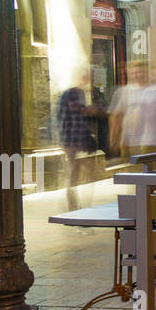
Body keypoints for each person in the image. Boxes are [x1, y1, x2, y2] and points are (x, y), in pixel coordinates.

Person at [57, 74, 99, 211]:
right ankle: (71, 206)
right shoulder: (74, 92)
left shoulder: (78, 93)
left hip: (74, 138)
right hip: (71, 138)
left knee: (75, 171)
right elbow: (77, 108)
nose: (89, 81)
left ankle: (73, 204)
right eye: (87, 77)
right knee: (73, 171)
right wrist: (93, 110)